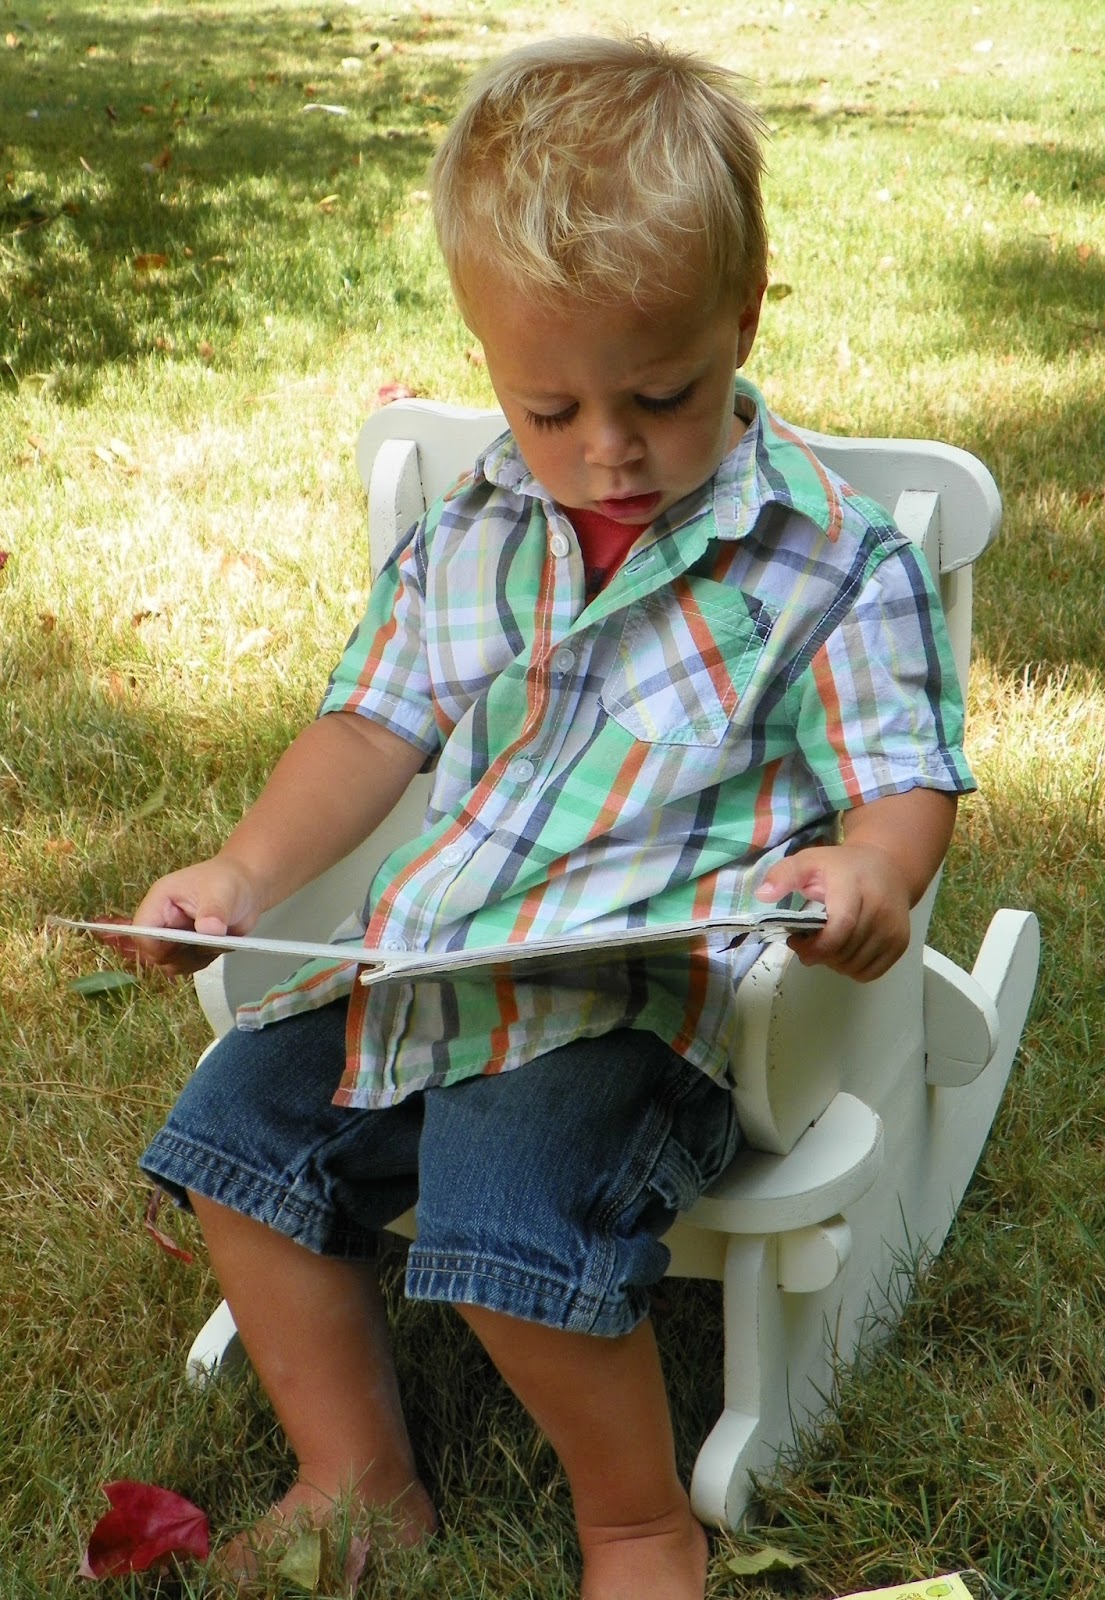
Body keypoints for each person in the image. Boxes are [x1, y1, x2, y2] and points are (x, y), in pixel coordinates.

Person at [123, 34, 974, 1600]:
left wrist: (869, 871)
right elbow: (372, 723)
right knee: (232, 1125)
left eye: (661, 394)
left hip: (630, 1005)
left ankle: (638, 1525)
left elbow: (896, 774)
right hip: (432, 970)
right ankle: (359, 1479)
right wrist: (244, 868)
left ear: (746, 309)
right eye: (546, 405)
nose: (608, 450)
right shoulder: (482, 528)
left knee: (503, 1186)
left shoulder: (833, 565)